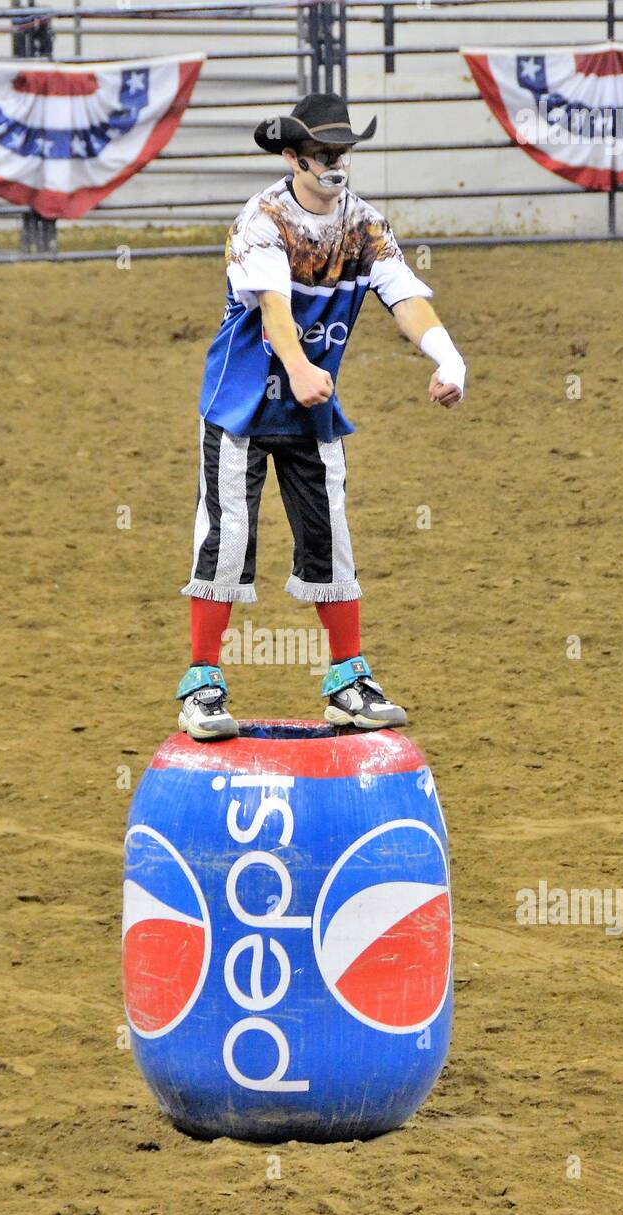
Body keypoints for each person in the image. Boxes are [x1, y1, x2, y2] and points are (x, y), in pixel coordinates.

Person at [176, 93, 466, 740]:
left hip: (310, 406)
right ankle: (201, 683)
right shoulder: (261, 220)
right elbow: (275, 308)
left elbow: (404, 294)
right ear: (293, 159)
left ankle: (347, 680)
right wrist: (301, 368)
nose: (336, 165)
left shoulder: (364, 225)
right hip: (241, 405)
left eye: (342, 154)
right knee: (226, 541)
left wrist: (446, 356)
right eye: (323, 156)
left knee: (330, 540)